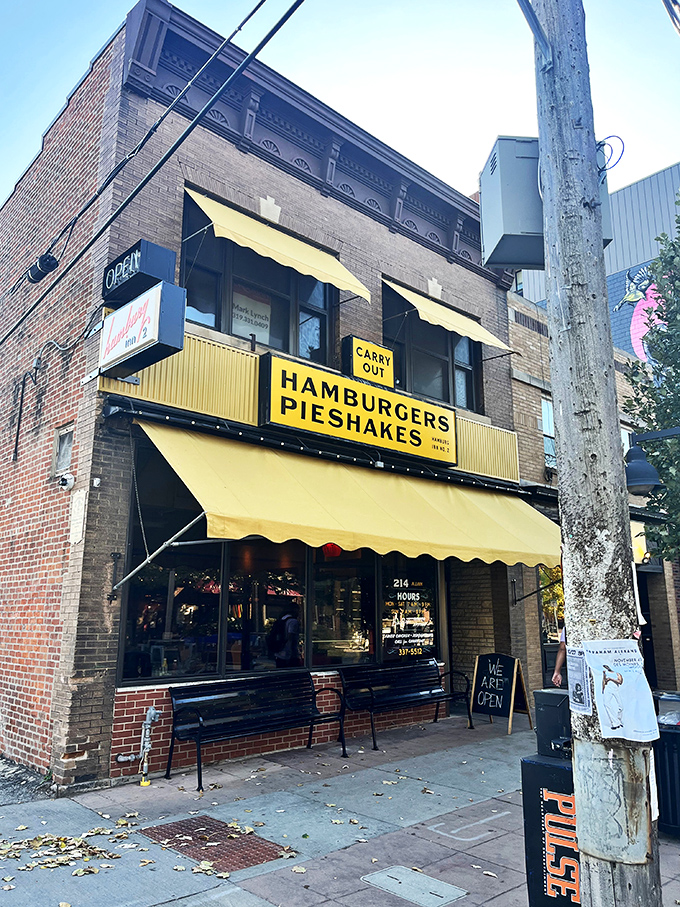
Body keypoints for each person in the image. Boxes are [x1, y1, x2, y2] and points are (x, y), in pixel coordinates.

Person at [274, 603, 301, 668]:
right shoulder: (293, 621)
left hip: (279, 651)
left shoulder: (283, 619)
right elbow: (290, 636)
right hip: (288, 653)